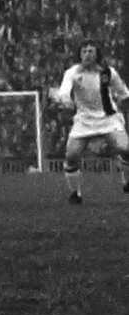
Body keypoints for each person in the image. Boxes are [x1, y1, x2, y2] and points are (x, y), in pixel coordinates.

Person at [52, 40, 129, 204]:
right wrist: (64, 100)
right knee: (71, 155)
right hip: (84, 120)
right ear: (79, 55)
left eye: (91, 51)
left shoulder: (108, 72)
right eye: (84, 51)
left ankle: (127, 181)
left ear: (97, 54)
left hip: (108, 118)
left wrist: (119, 111)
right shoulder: (72, 72)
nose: (87, 54)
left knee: (125, 148)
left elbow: (123, 93)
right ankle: (75, 193)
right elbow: (64, 91)